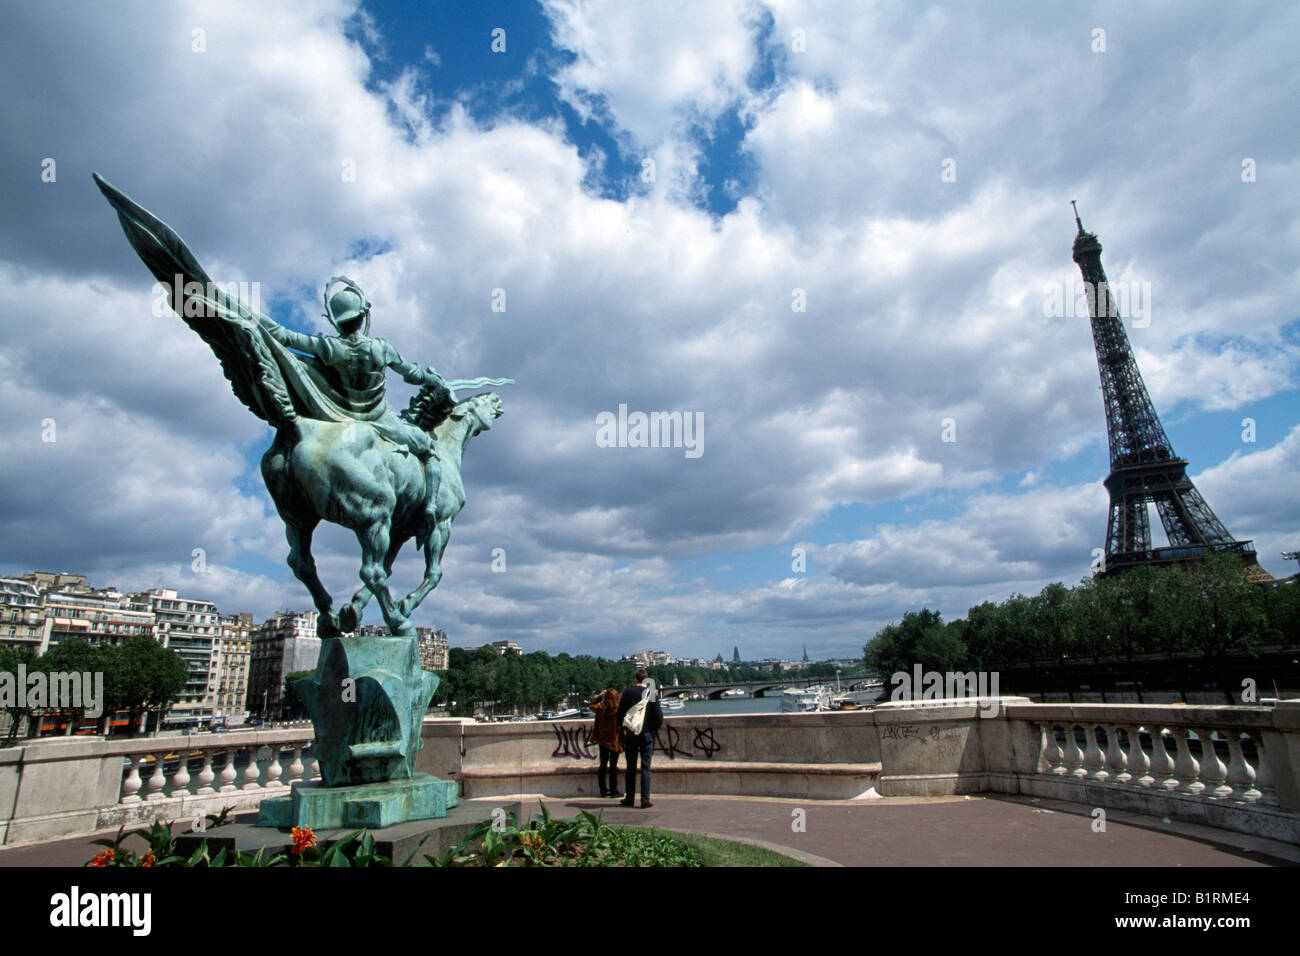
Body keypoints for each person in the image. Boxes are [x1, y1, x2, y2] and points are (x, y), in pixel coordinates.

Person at [257, 276, 452, 535]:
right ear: (363, 315)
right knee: (429, 450)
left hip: (341, 416)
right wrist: (434, 380)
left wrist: (251, 316)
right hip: (381, 419)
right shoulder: (381, 348)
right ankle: (430, 508)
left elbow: (284, 336)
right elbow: (412, 374)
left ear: (336, 319)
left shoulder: (329, 347)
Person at [616, 670, 662, 808]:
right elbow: (658, 716)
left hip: (631, 734)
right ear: (646, 680)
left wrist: (624, 729)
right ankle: (645, 800)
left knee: (630, 767)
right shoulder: (651, 693)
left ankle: (629, 798)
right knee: (646, 767)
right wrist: (651, 729)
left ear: (636, 679)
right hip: (647, 734)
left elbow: (620, 715)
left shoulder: (628, 693)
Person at [588, 687, 622, 798]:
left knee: (603, 765)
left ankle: (603, 790)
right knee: (613, 766)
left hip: (603, 740)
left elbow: (591, 704)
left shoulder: (601, 708)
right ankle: (614, 790)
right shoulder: (617, 710)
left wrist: (600, 695)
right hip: (614, 741)